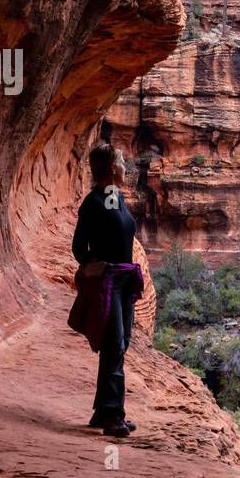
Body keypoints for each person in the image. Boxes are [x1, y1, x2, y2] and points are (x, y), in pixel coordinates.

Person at [68, 143, 144, 437]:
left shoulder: (117, 198)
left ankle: (103, 411)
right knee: (113, 344)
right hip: (108, 282)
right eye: (123, 162)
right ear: (112, 167)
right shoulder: (93, 203)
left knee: (120, 343)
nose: (126, 167)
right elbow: (79, 247)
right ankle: (114, 416)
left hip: (124, 282)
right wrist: (92, 264)